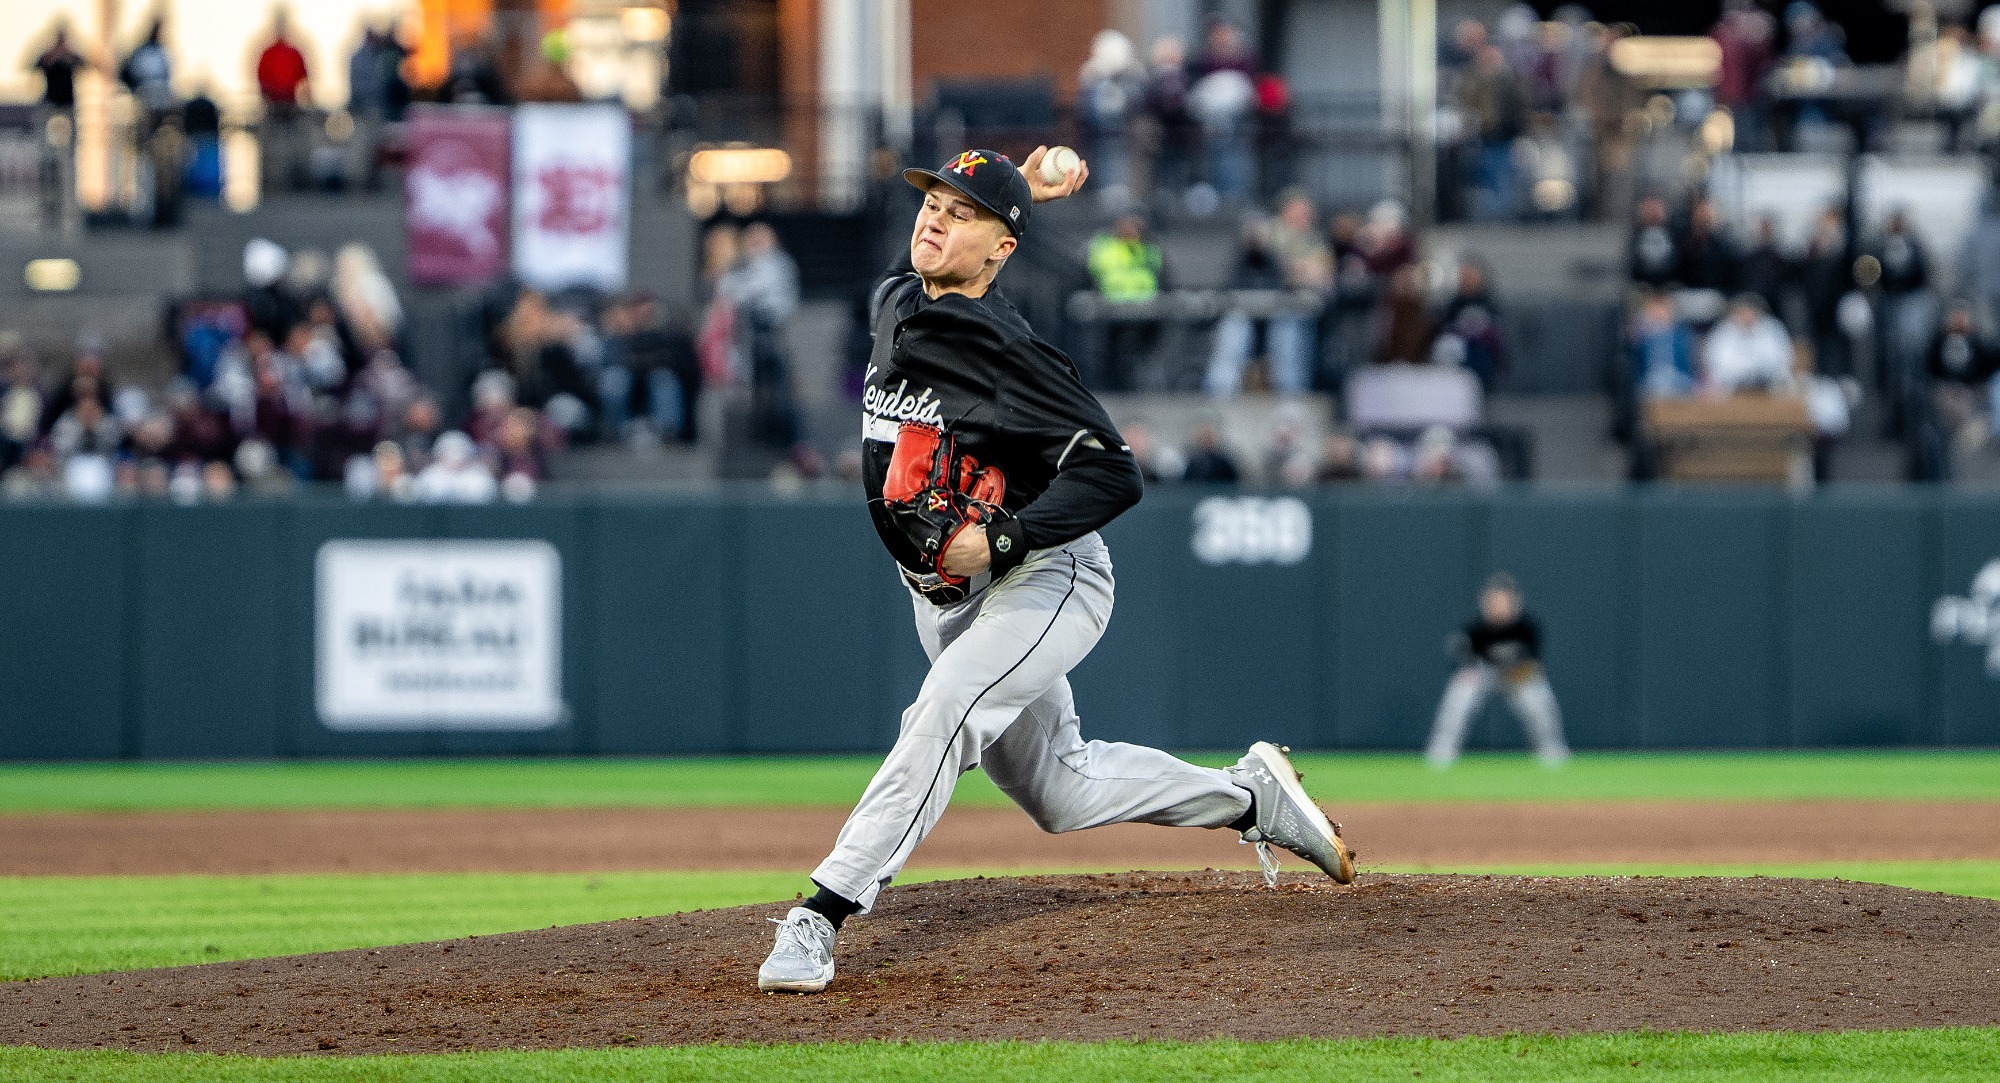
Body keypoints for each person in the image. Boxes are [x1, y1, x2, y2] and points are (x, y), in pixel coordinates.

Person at [756, 146, 1355, 995]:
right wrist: (1014, 190)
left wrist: (1005, 539)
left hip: (1043, 577)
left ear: (1003, 251)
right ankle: (1250, 797)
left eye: (962, 214)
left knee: (946, 710)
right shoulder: (898, 297)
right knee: (1059, 791)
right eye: (934, 203)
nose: (934, 219)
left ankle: (821, 913)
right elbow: (921, 262)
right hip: (942, 594)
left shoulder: (1009, 352)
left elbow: (1116, 469)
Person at [1424, 573, 1569, 768]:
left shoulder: (1527, 627)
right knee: (1459, 696)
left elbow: (1534, 665)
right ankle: (1441, 751)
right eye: (1494, 601)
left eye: (1503, 601)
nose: (1499, 606)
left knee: (1539, 700)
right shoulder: (1476, 628)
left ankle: (1551, 750)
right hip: (1485, 673)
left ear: (1514, 602)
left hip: (1516, 675)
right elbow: (1462, 660)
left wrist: (1521, 674)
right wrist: (1468, 673)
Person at [1085, 213, 1164, 390]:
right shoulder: (1104, 247)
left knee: (1146, 354)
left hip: (1145, 313)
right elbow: (1091, 274)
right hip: (1110, 312)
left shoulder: (1149, 248)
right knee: (1111, 355)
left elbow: (1161, 276)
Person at [1703, 294, 1795, 393]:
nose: (1746, 315)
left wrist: (1758, 372)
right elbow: (1717, 363)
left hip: (1768, 384)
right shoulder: (1723, 331)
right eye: (1742, 312)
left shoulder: (1772, 328)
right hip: (1732, 386)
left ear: (1759, 311)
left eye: (1750, 311)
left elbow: (1783, 358)